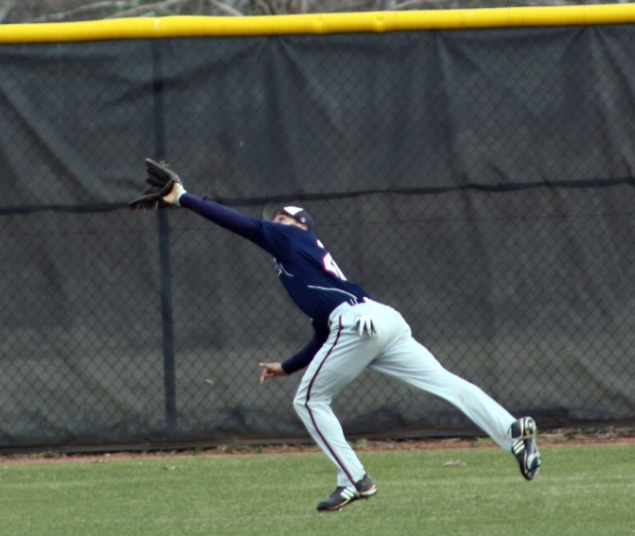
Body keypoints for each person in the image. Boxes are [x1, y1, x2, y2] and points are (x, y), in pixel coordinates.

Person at [143, 169, 540, 511]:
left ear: (301, 227)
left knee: (310, 400)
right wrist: (287, 366)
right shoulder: (300, 258)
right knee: (446, 382)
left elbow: (240, 224)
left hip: (359, 322)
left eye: (285, 218)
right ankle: (513, 433)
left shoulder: (291, 239)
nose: (276, 221)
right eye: (276, 218)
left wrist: (184, 198)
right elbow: (323, 332)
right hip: (380, 320)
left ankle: (355, 480)